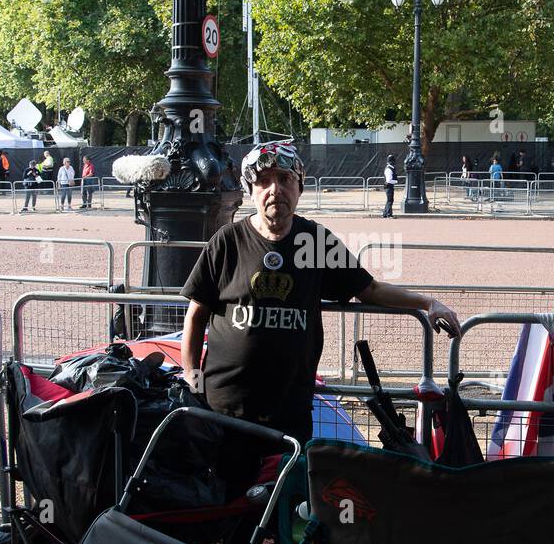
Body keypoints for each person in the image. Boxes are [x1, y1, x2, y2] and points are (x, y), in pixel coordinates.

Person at [181, 142, 460, 450]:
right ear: (251, 190)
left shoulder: (314, 241)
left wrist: (427, 303)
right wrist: (193, 381)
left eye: (285, 179)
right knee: (225, 496)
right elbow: (196, 316)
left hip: (289, 409)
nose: (275, 189)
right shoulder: (228, 242)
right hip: (224, 407)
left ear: (299, 187)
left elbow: (370, 289)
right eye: (263, 181)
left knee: (288, 495)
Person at [382, 154, 397, 218]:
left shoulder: (390, 168)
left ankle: (385, 213)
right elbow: (389, 180)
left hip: (389, 186)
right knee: (390, 200)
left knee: (389, 200)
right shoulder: (389, 169)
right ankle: (389, 214)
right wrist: (396, 181)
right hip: (389, 186)